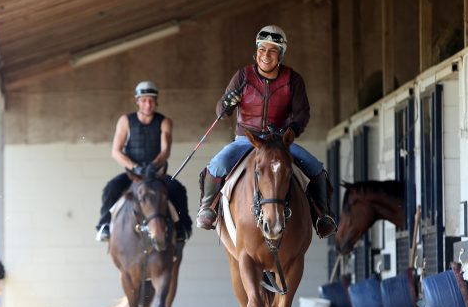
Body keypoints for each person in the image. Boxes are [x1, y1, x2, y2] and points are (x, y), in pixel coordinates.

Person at [196, 25, 337, 238]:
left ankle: (322, 216)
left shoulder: (293, 79)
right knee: (217, 165)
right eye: (262, 49)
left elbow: (302, 113)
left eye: (272, 50)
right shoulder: (242, 76)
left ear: (280, 54)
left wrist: (291, 130)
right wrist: (227, 102)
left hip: (279, 141)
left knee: (315, 168)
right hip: (247, 140)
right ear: (256, 51)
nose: (266, 55)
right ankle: (207, 209)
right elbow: (221, 111)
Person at [96, 81, 193, 242]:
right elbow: (116, 151)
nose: (147, 105)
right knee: (110, 188)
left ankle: (183, 227)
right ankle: (104, 226)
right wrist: (136, 167)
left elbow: (165, 151)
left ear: (156, 101)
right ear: (137, 101)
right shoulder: (125, 121)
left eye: (151, 100)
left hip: (156, 175)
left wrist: (153, 166)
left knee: (178, 189)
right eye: (144, 100)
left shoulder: (164, 122)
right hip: (132, 175)